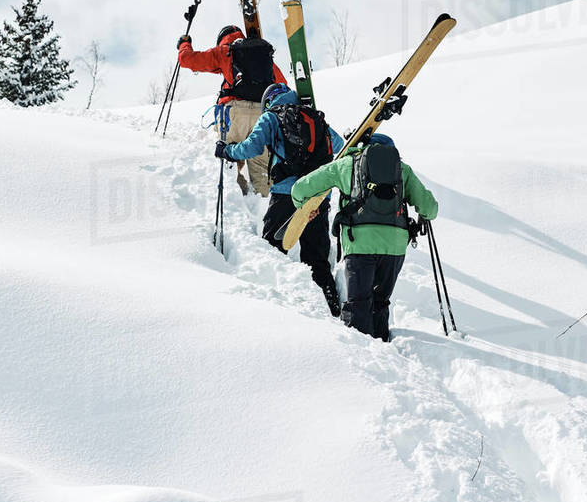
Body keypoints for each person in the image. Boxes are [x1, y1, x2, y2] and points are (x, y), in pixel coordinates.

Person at [290, 133, 438, 341]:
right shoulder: (402, 170)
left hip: (359, 243)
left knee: (358, 303)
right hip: (394, 248)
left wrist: (304, 207)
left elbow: (300, 188)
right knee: (380, 301)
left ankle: (362, 358)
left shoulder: (347, 164)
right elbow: (430, 209)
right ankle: (386, 354)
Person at [215, 83, 344, 315]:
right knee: (317, 257)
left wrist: (227, 151)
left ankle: (277, 310)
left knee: (271, 250)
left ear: (268, 102)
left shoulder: (272, 116)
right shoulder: (315, 117)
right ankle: (331, 309)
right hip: (317, 195)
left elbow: (252, 147)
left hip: (287, 193)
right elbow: (338, 145)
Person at [177, 25, 286, 196]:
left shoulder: (225, 51)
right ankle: (262, 206)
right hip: (262, 116)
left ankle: (237, 198)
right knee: (262, 168)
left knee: (230, 156)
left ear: (222, 39)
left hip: (235, 114)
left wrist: (184, 44)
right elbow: (282, 86)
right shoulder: (263, 56)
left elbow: (187, 59)